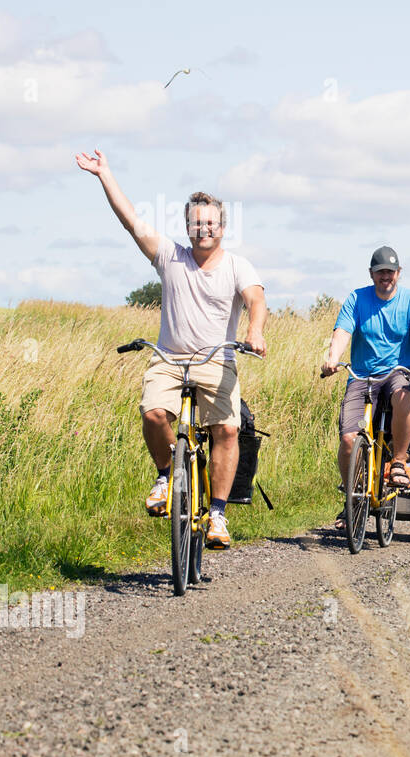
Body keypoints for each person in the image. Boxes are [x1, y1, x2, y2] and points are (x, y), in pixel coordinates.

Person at [74, 149, 267, 550]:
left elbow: (256, 300)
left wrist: (255, 330)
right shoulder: (169, 256)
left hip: (217, 361)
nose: (204, 229)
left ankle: (217, 513)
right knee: (153, 412)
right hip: (169, 359)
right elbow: (131, 222)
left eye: (211, 222)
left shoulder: (237, 266)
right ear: (187, 226)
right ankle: (166, 476)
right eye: (197, 223)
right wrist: (104, 174)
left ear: (223, 227)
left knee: (227, 429)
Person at [321, 247, 410, 521]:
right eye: (381, 272)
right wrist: (332, 358)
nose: (386, 277)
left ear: (399, 273)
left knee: (404, 395)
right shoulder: (357, 299)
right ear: (371, 274)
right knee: (349, 440)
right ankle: (353, 498)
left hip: (398, 371)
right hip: (362, 374)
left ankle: (398, 461)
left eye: (391, 272)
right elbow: (342, 332)